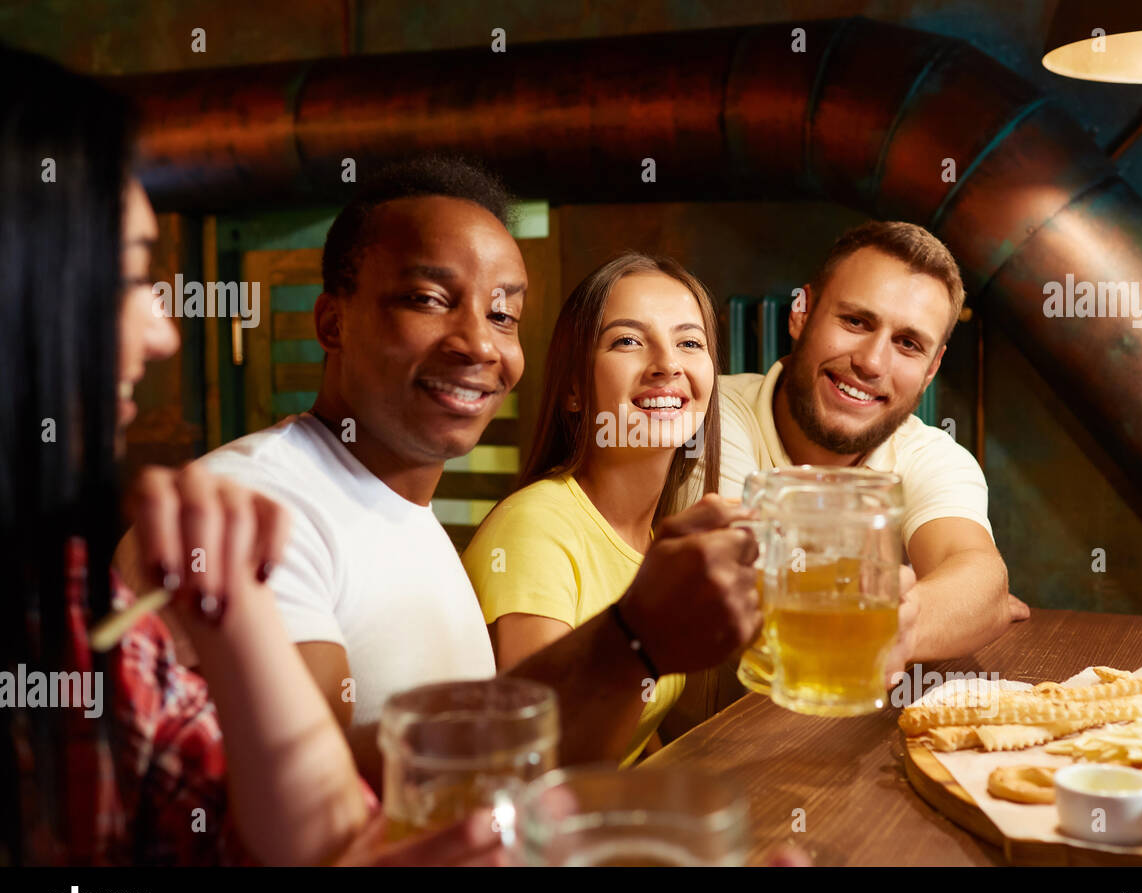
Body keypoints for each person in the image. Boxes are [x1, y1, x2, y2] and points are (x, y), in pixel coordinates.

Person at [119, 158, 762, 787]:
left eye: (502, 314)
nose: (479, 343)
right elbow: (304, 812)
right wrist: (636, 638)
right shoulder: (258, 502)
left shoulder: (408, 513)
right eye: (428, 299)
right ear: (332, 321)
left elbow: (499, 779)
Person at [0, 46, 371, 866]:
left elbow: (309, 843)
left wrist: (233, 615)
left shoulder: (62, 608)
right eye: (126, 278)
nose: (165, 334)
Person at [717, 221, 1027, 685]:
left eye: (907, 343)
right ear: (801, 313)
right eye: (856, 322)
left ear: (931, 369)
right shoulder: (710, 417)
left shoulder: (932, 455)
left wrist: (884, 632)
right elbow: (740, 584)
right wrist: (934, 611)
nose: (872, 362)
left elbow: (979, 579)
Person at [462, 252, 720, 765]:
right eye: (628, 340)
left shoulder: (655, 538)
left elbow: (632, 731)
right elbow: (540, 760)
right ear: (575, 389)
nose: (668, 364)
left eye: (689, 342)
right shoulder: (536, 530)